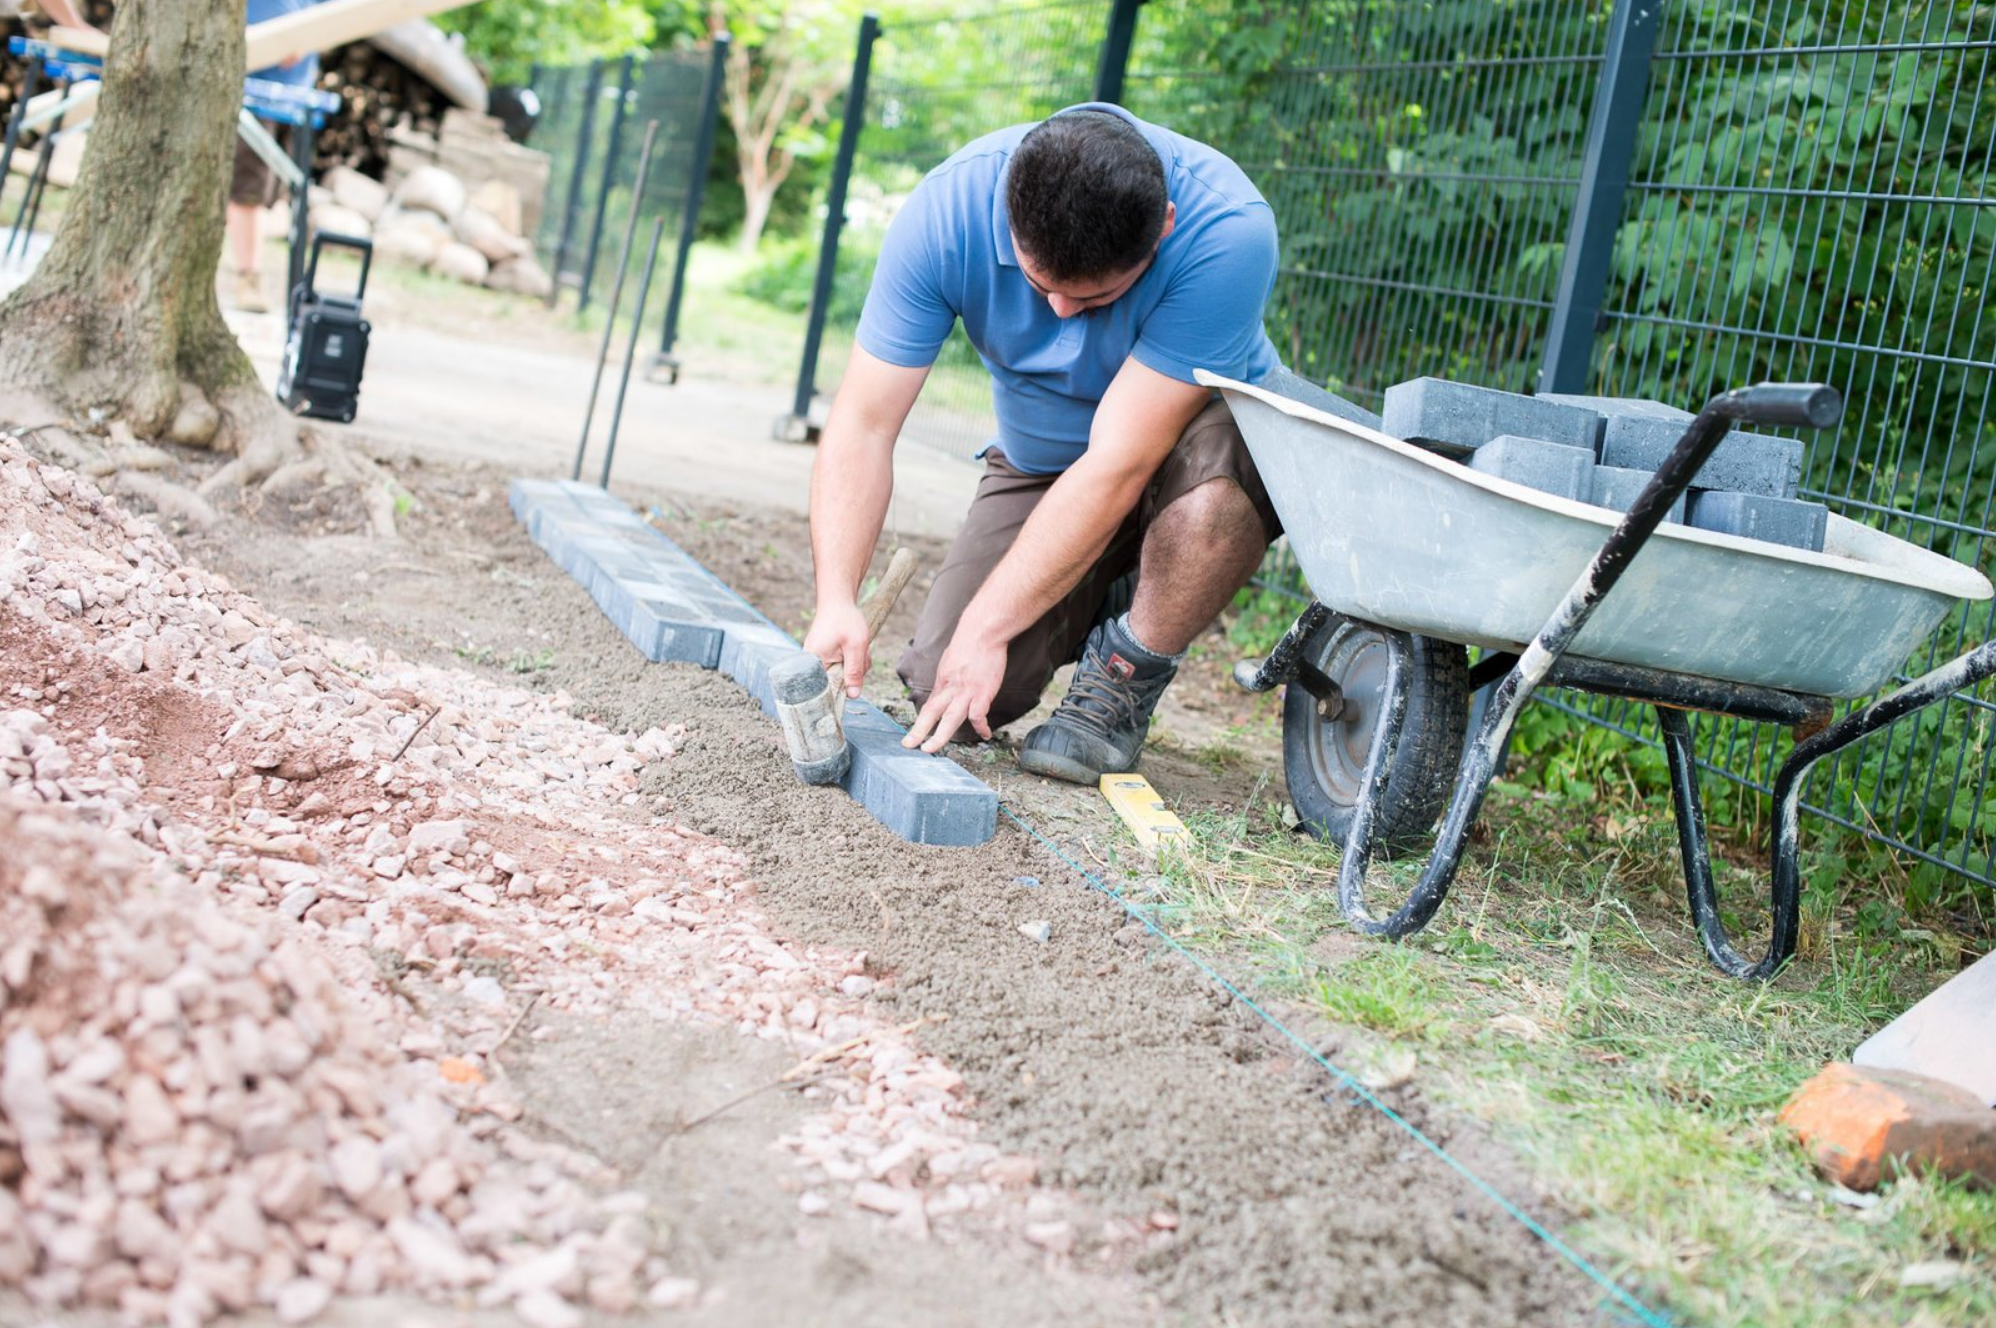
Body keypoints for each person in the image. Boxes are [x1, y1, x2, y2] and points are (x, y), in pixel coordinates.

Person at [801, 103, 1283, 785]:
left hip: (1190, 458)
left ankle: (1127, 671)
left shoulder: (1229, 232)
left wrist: (989, 627)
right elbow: (863, 423)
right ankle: (1114, 588)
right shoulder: (947, 211)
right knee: (949, 690)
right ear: (1008, 217)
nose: (1060, 313)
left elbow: (1120, 463)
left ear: (1164, 228)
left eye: (1094, 299)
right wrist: (836, 600)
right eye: (1039, 285)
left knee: (1217, 482)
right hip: (1046, 465)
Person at [226, 0, 327, 314]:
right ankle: (248, 277)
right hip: (250, 84)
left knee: (272, 193)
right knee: (248, 189)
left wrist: (307, 38)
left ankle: (253, 273)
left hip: (293, 92)